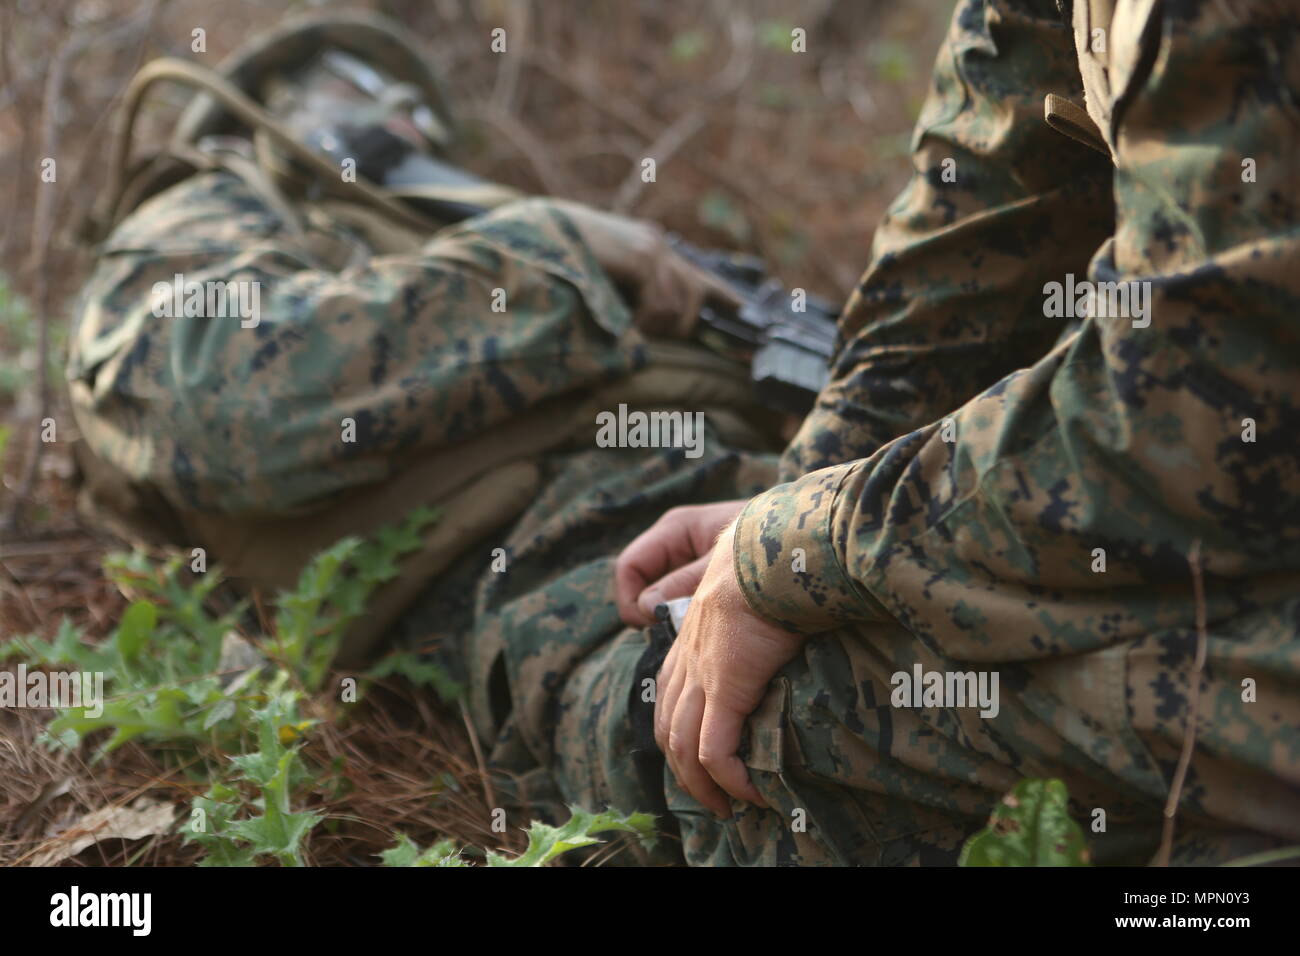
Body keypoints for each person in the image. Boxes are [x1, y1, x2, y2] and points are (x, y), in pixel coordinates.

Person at [69, 1, 1300, 867]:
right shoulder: (200, 255)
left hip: (855, 495)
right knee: (751, 726)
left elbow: (1184, 404)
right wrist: (571, 266)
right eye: (343, 108)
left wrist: (793, 532)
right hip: (590, 551)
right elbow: (209, 400)